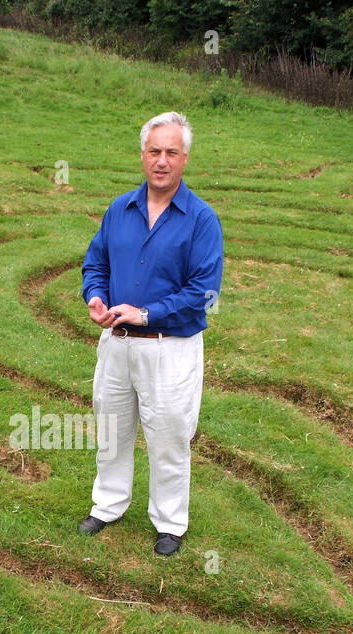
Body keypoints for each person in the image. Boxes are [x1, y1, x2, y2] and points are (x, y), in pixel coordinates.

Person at [78, 111, 225, 556]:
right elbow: (95, 262)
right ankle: (108, 506)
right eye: (154, 151)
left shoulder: (202, 220)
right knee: (113, 429)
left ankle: (170, 523)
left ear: (185, 159)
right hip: (116, 345)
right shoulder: (119, 210)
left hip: (170, 349)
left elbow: (203, 293)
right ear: (143, 155)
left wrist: (144, 314)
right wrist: (96, 298)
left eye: (171, 152)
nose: (162, 160)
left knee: (169, 437)